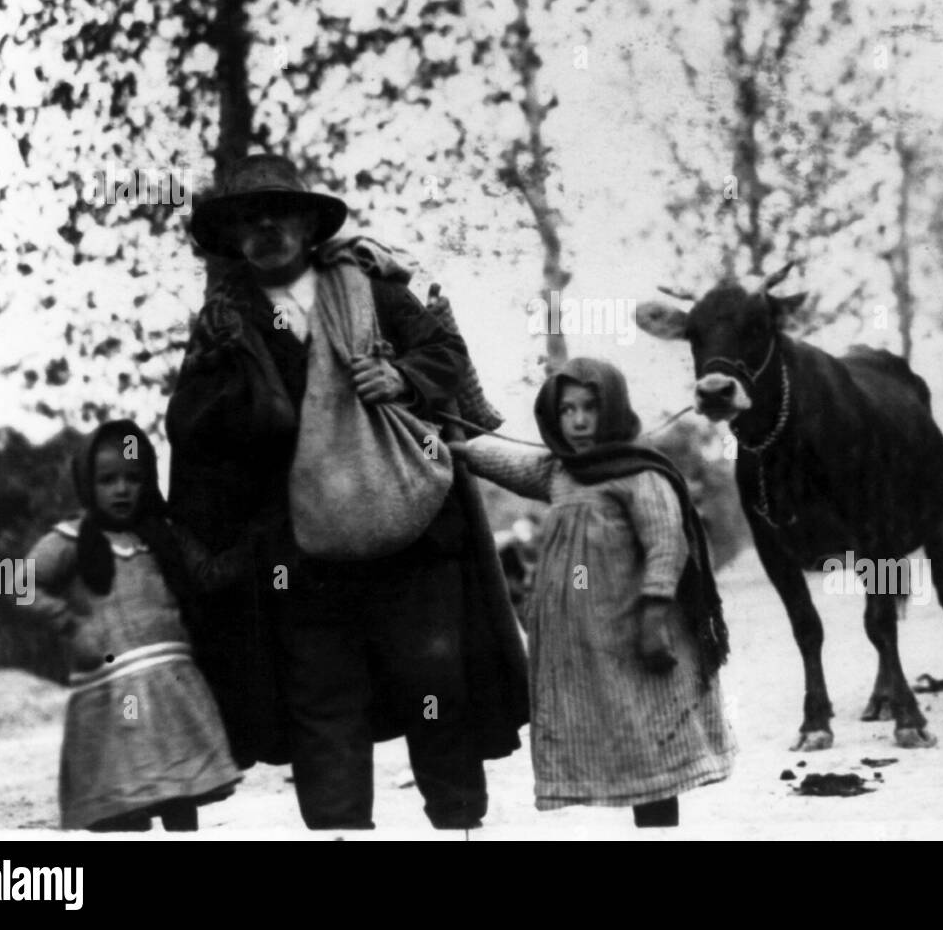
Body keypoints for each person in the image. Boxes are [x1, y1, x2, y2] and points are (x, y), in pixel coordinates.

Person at [165, 153, 528, 831]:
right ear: (233, 237)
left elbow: (446, 351)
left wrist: (405, 379)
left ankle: (460, 826)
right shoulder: (223, 322)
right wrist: (220, 378)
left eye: (280, 210)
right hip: (301, 552)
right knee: (323, 708)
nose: (266, 224)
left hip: (408, 528)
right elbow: (192, 435)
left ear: (308, 223)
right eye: (248, 216)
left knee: (435, 690)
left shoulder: (373, 287)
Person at [452, 357, 736, 826]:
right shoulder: (561, 472)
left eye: (590, 408)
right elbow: (507, 462)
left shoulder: (639, 472)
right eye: (567, 411)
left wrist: (653, 617)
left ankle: (658, 829)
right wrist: (456, 448)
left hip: (638, 633)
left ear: (614, 410)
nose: (579, 421)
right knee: (616, 740)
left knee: (653, 741)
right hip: (589, 645)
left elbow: (667, 541)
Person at [25, 419, 243, 832]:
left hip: (172, 688)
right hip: (114, 695)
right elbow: (19, 584)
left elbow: (209, 575)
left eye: (133, 478)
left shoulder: (164, 536)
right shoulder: (69, 540)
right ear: (87, 482)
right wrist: (70, 625)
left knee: (181, 790)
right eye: (107, 480)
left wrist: (260, 550)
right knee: (124, 804)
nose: (121, 489)